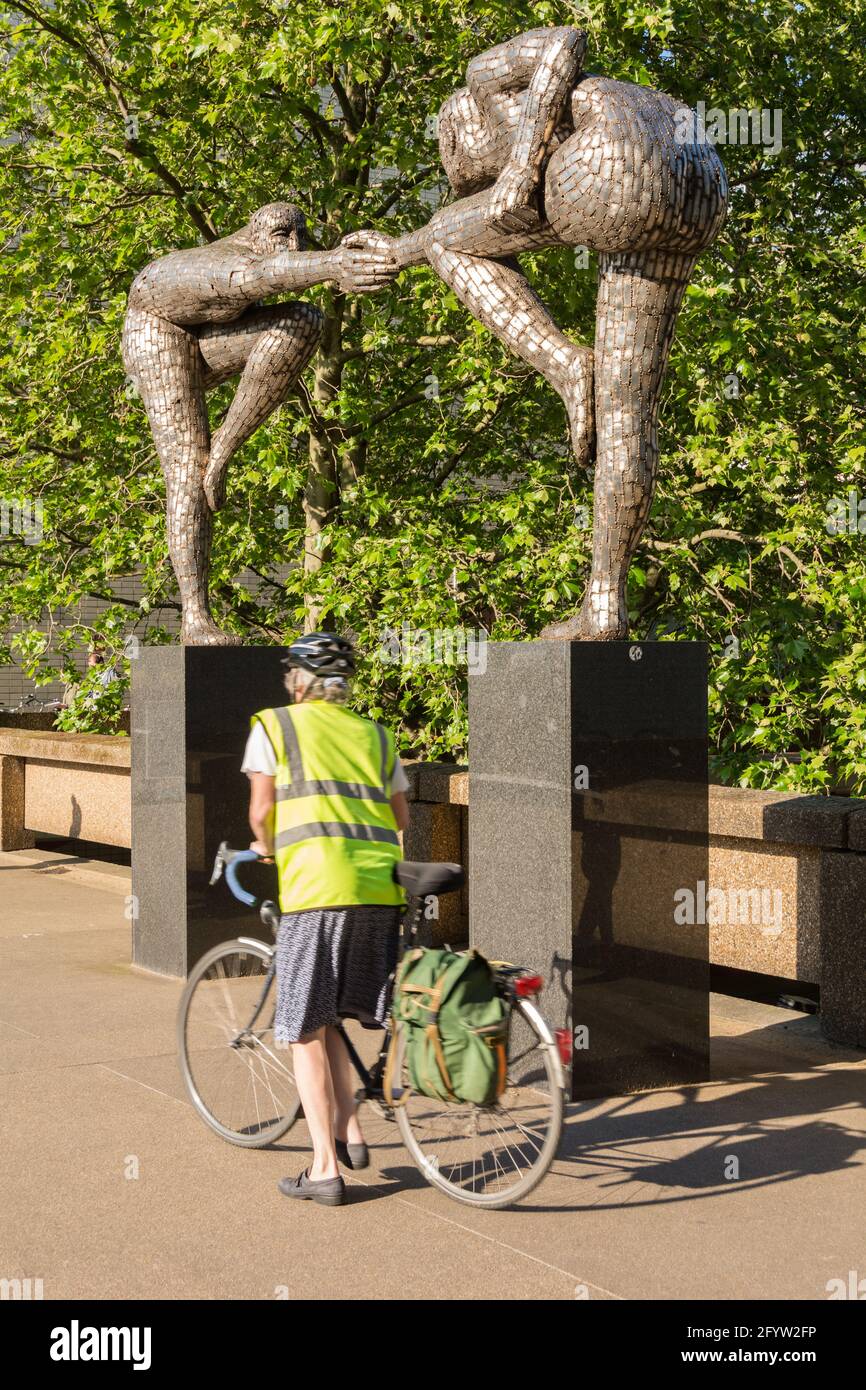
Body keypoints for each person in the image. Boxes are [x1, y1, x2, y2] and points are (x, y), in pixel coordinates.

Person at [353, 26, 728, 641]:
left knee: (449, 233)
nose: (463, 175)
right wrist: (399, 248)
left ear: (457, 125)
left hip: (612, 169)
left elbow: (567, 40)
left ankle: (564, 363)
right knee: (627, 411)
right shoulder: (609, 100)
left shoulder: (482, 78)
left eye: (459, 163)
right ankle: (605, 606)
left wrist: (520, 168)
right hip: (697, 189)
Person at [123, 205, 398, 644]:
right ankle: (195, 618)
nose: (293, 245)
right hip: (156, 336)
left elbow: (282, 271)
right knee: (185, 469)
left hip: (207, 339)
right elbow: (262, 275)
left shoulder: (269, 256)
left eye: (300, 236)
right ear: (254, 231)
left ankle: (222, 450)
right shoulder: (228, 262)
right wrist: (334, 263)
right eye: (282, 233)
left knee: (303, 319)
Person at [241, 632, 410, 1207]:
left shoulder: (275, 725)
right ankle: (351, 1132)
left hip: (316, 889)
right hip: (379, 889)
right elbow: (401, 814)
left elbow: (262, 811)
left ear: (298, 679)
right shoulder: (376, 735)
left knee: (303, 1028)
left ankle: (323, 1170)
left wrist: (266, 847)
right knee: (331, 1010)